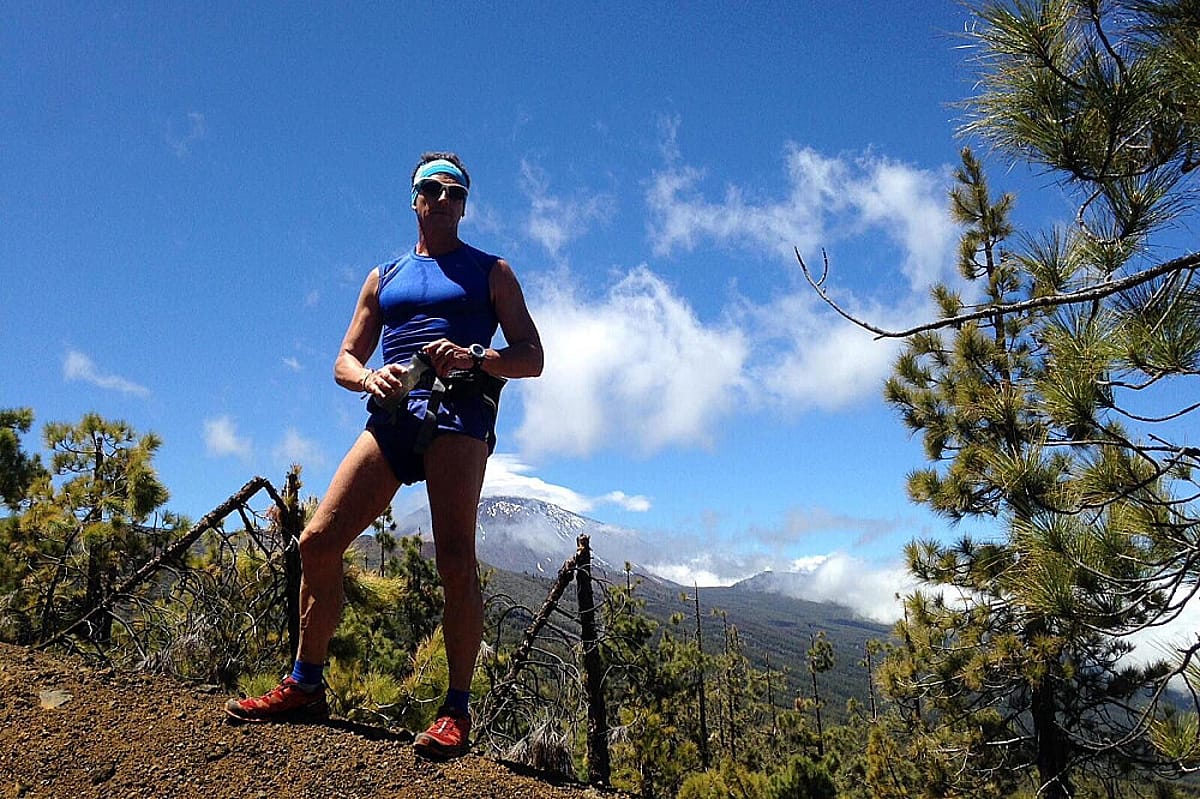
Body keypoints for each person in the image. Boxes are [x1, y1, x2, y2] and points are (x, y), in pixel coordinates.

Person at [225, 152, 544, 761]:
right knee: (318, 542)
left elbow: (531, 356)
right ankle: (305, 684)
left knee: (455, 559)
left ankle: (455, 711)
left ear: (465, 205)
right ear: (414, 198)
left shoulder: (492, 272)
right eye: (433, 188)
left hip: (459, 416)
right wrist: (370, 378)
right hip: (392, 418)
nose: (444, 198)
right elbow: (344, 359)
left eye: (456, 191)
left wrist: (477, 357)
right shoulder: (384, 276)